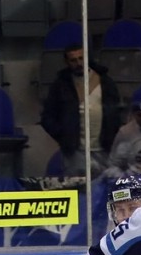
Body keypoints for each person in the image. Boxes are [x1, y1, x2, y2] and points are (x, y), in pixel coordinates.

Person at [39, 44, 124, 177]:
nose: (78, 63)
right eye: (73, 60)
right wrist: (63, 135)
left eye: (81, 58)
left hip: (105, 148)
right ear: (67, 62)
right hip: (75, 151)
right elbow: (47, 117)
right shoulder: (61, 85)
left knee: (106, 190)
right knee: (79, 190)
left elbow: (117, 111)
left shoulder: (106, 81)